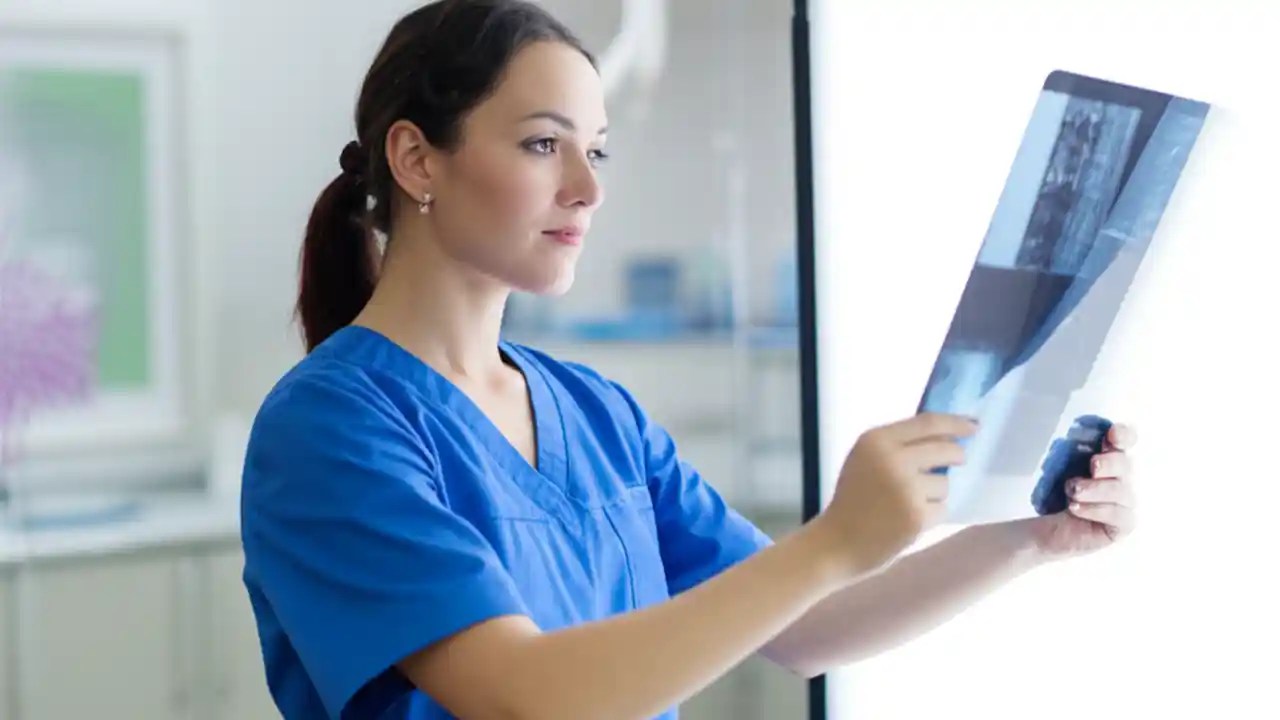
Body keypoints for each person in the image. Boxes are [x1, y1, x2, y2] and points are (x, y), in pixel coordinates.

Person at [238, 1, 1139, 718]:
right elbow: (524, 699)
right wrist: (831, 543)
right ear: (415, 159)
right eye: (544, 144)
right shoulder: (332, 427)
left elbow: (805, 629)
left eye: (596, 150)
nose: (588, 189)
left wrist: (1029, 538)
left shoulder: (598, 415)